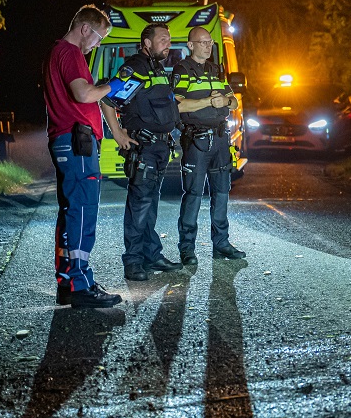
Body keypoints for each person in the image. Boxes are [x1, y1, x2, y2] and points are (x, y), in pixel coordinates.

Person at [42, 5, 122, 308]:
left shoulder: (57, 52)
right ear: (85, 29)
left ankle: (68, 281)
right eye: (99, 38)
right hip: (77, 142)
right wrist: (113, 84)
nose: (97, 45)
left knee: (71, 211)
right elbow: (84, 95)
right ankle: (80, 284)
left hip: (68, 141)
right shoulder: (71, 52)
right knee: (83, 211)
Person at [99, 24, 183, 281]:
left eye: (169, 39)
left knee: (150, 205)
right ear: (146, 43)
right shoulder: (136, 68)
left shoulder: (157, 69)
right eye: (162, 39)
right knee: (139, 205)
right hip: (144, 148)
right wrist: (118, 133)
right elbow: (107, 99)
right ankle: (133, 261)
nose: (167, 43)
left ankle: (151, 254)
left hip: (159, 147)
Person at [171, 27, 245, 264]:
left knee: (222, 193)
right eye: (202, 42)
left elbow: (233, 101)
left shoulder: (216, 70)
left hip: (221, 139)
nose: (208, 46)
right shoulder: (182, 70)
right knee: (193, 194)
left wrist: (225, 100)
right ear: (190, 45)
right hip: (196, 140)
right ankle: (187, 249)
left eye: (210, 42)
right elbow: (179, 105)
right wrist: (208, 101)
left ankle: (221, 244)